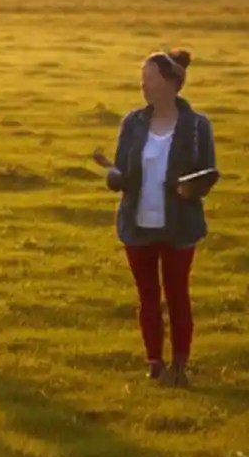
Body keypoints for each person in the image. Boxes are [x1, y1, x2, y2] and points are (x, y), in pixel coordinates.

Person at [93, 49, 218, 387]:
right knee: (147, 296)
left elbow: (208, 174)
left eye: (149, 78)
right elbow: (123, 173)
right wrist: (113, 176)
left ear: (170, 83)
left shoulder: (198, 126)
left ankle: (180, 364)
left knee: (177, 295)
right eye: (142, 78)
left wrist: (189, 189)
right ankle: (154, 363)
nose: (143, 85)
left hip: (179, 226)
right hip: (137, 225)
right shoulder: (132, 123)